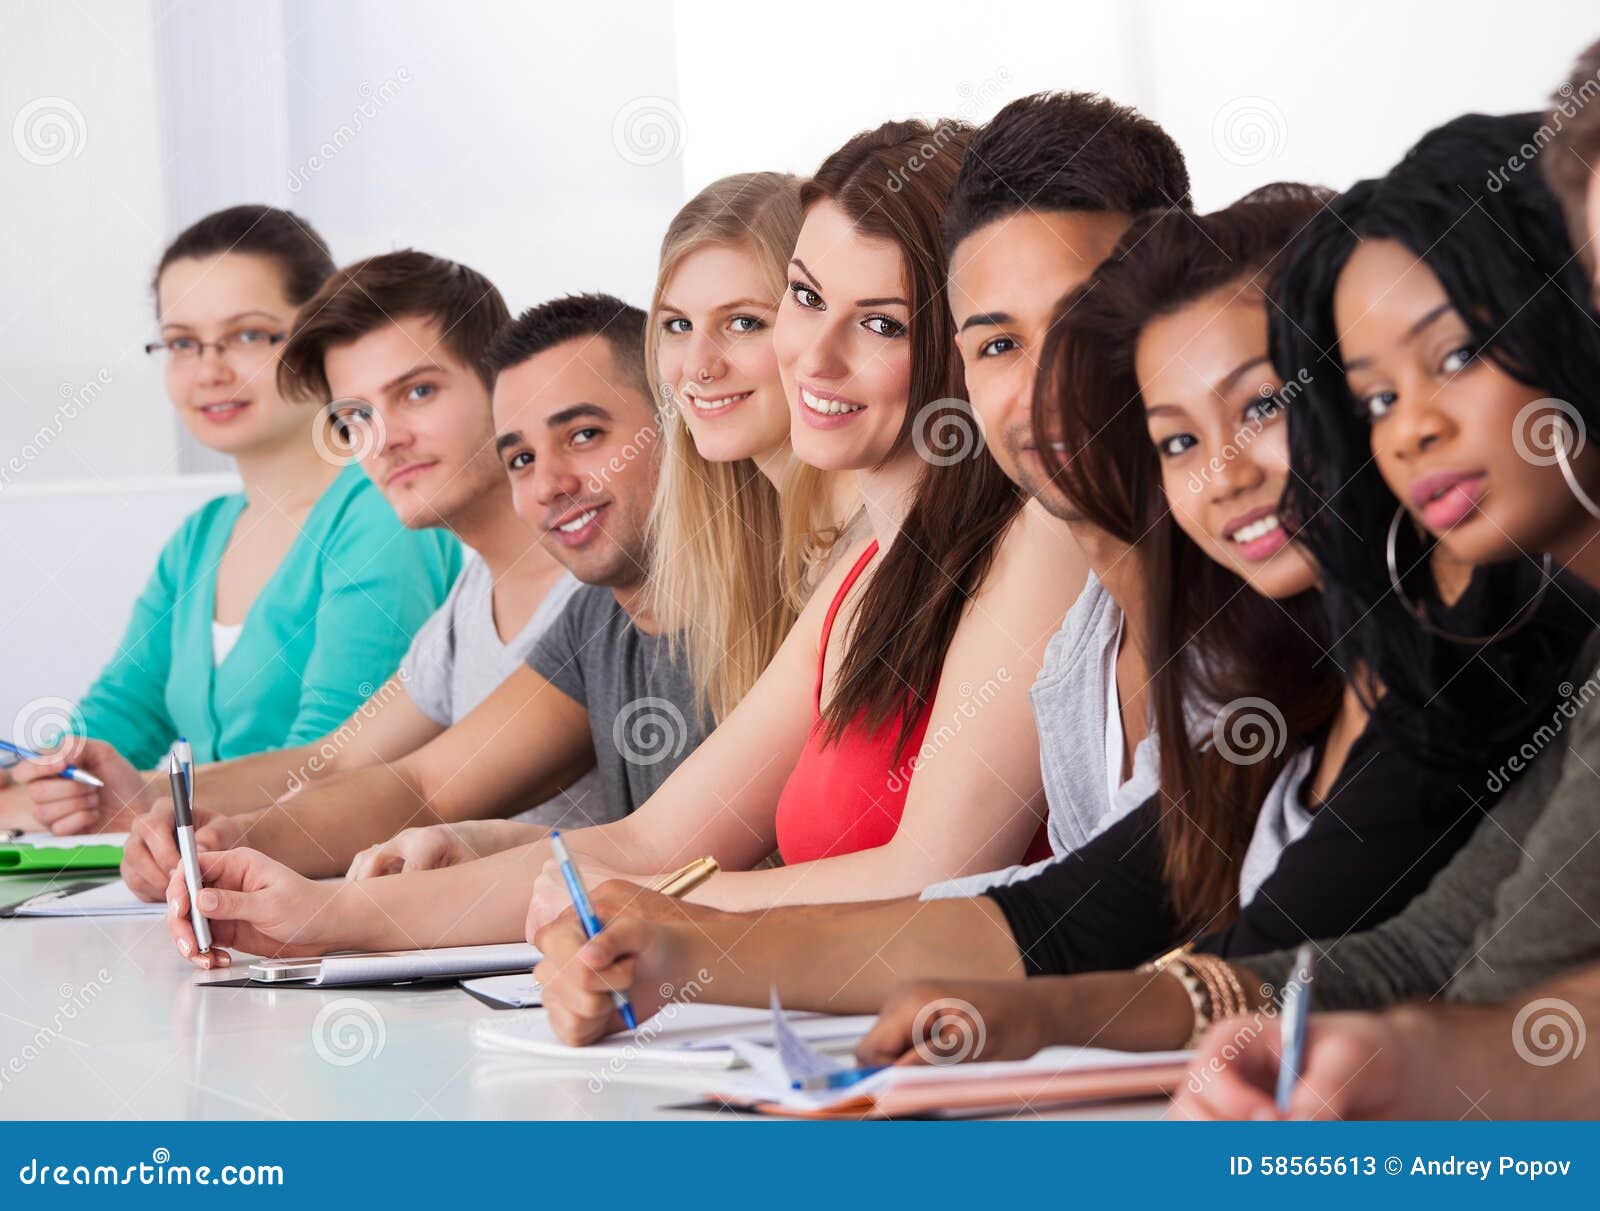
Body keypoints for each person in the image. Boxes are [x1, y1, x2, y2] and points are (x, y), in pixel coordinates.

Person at [526, 176, 1591, 1050]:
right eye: (1177, 436)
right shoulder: (1276, 657)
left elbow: (1321, 970)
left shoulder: (1494, 644)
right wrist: (686, 954)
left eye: (1264, 405)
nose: (1058, 390)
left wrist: (1036, 1013)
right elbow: (1080, 913)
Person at [160, 118, 1091, 966]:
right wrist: (324, 917)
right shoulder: (863, 572)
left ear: (959, 339)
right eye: (806, 300)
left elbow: (926, 874)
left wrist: (632, 905)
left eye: (880, 322)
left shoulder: (1031, 539)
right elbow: (652, 839)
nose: (814, 353)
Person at [344, 172, 859, 879]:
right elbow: (649, 846)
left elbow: (673, 859)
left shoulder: (850, 563)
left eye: (744, 321)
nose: (700, 366)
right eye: (678, 327)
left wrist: (330, 910)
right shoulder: (600, 611)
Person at [68, 250, 601, 897]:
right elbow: (340, 760)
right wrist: (162, 805)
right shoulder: (474, 597)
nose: (384, 438)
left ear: (505, 384)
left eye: (418, 392)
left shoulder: (594, 582)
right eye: (356, 417)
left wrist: (234, 841)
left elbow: (423, 790)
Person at [1, 206, 461, 833]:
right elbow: (114, 720)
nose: (209, 370)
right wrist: (35, 774)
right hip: (212, 881)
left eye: (247, 335)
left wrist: (131, 798)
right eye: (183, 343)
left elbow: (331, 766)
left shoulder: (384, 516)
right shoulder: (199, 540)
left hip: (330, 893)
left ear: (319, 340)